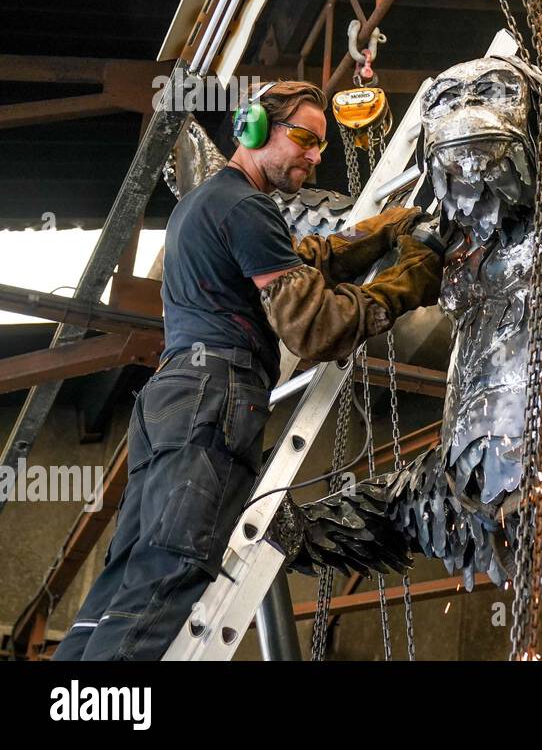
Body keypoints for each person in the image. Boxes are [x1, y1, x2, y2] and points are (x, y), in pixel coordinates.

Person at [54, 80, 443, 660]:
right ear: (256, 129)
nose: (316, 156)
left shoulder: (206, 204)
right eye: (306, 139)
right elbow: (317, 328)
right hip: (214, 399)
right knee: (172, 573)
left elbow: (303, 260)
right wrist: (409, 280)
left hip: (171, 401)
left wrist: (377, 232)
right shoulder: (245, 207)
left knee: (128, 579)